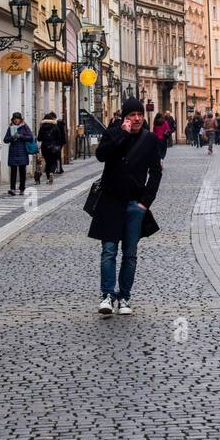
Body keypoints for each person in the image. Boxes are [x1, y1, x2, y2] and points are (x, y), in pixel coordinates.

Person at [86, 97, 161, 316]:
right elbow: (101, 156)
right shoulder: (114, 133)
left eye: (139, 114)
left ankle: (125, 297)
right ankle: (107, 295)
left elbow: (156, 172)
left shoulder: (150, 140)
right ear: (124, 117)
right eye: (132, 115)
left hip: (134, 204)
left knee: (130, 254)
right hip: (110, 200)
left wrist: (145, 203)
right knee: (108, 251)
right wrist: (122, 134)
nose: (137, 118)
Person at [4, 112, 34, 195]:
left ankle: (22, 188)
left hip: (22, 152)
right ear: (13, 120)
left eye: (17, 119)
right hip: (13, 152)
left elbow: (30, 137)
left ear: (20, 119)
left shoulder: (24, 127)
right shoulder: (10, 128)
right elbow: (5, 140)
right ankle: (12, 189)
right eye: (14, 119)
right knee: (13, 171)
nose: (16, 120)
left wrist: (20, 136)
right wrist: (12, 138)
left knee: (22, 171)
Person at [37, 112, 63, 186]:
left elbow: (39, 138)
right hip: (54, 147)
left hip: (45, 147)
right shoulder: (55, 126)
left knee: (47, 162)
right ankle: (51, 172)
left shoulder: (42, 127)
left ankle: (48, 178)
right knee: (53, 161)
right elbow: (59, 137)